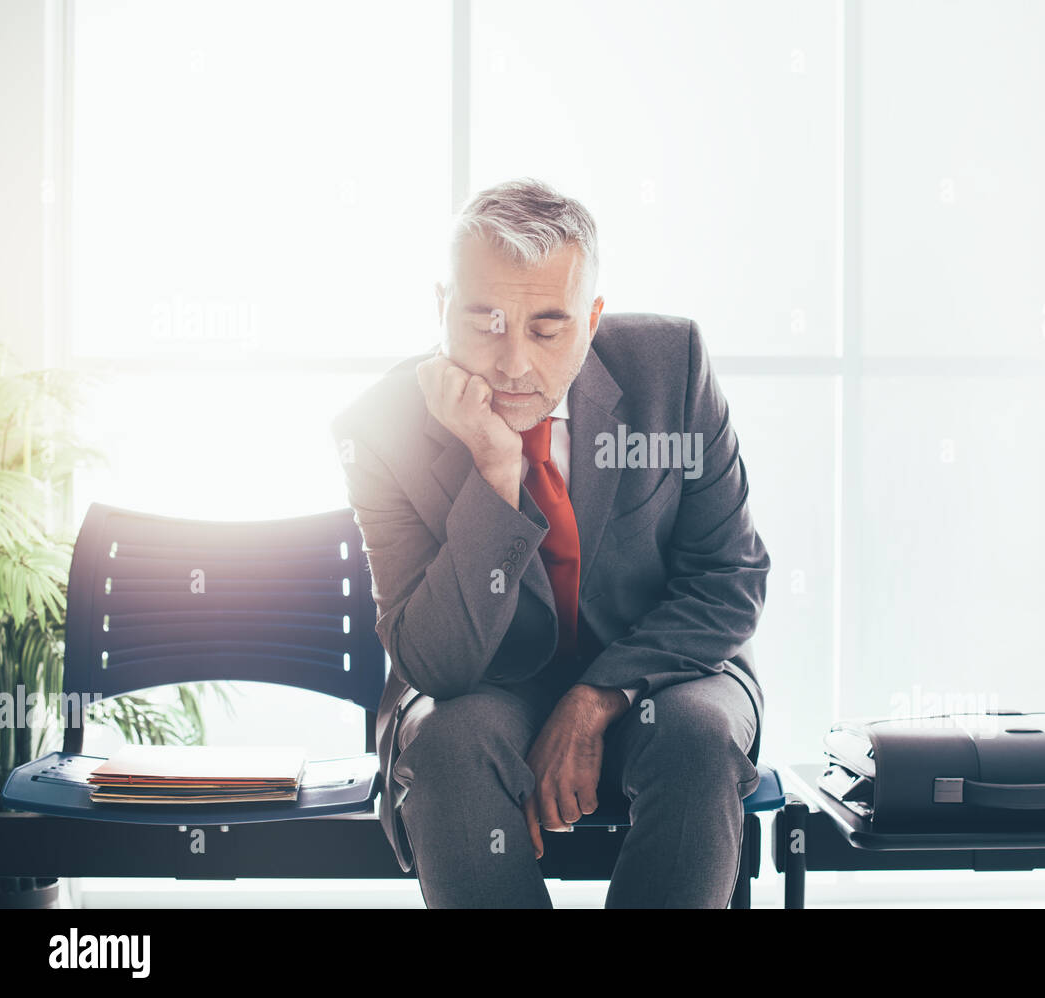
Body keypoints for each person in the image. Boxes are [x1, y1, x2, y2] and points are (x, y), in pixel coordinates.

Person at [330, 177, 770, 907]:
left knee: (696, 736)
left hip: (660, 673)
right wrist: (495, 469)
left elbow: (729, 578)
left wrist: (597, 698)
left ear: (592, 319)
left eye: (546, 328)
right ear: (441, 308)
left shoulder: (673, 368)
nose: (512, 365)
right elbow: (434, 661)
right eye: (485, 322)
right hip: (484, 683)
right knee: (446, 748)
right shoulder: (381, 428)